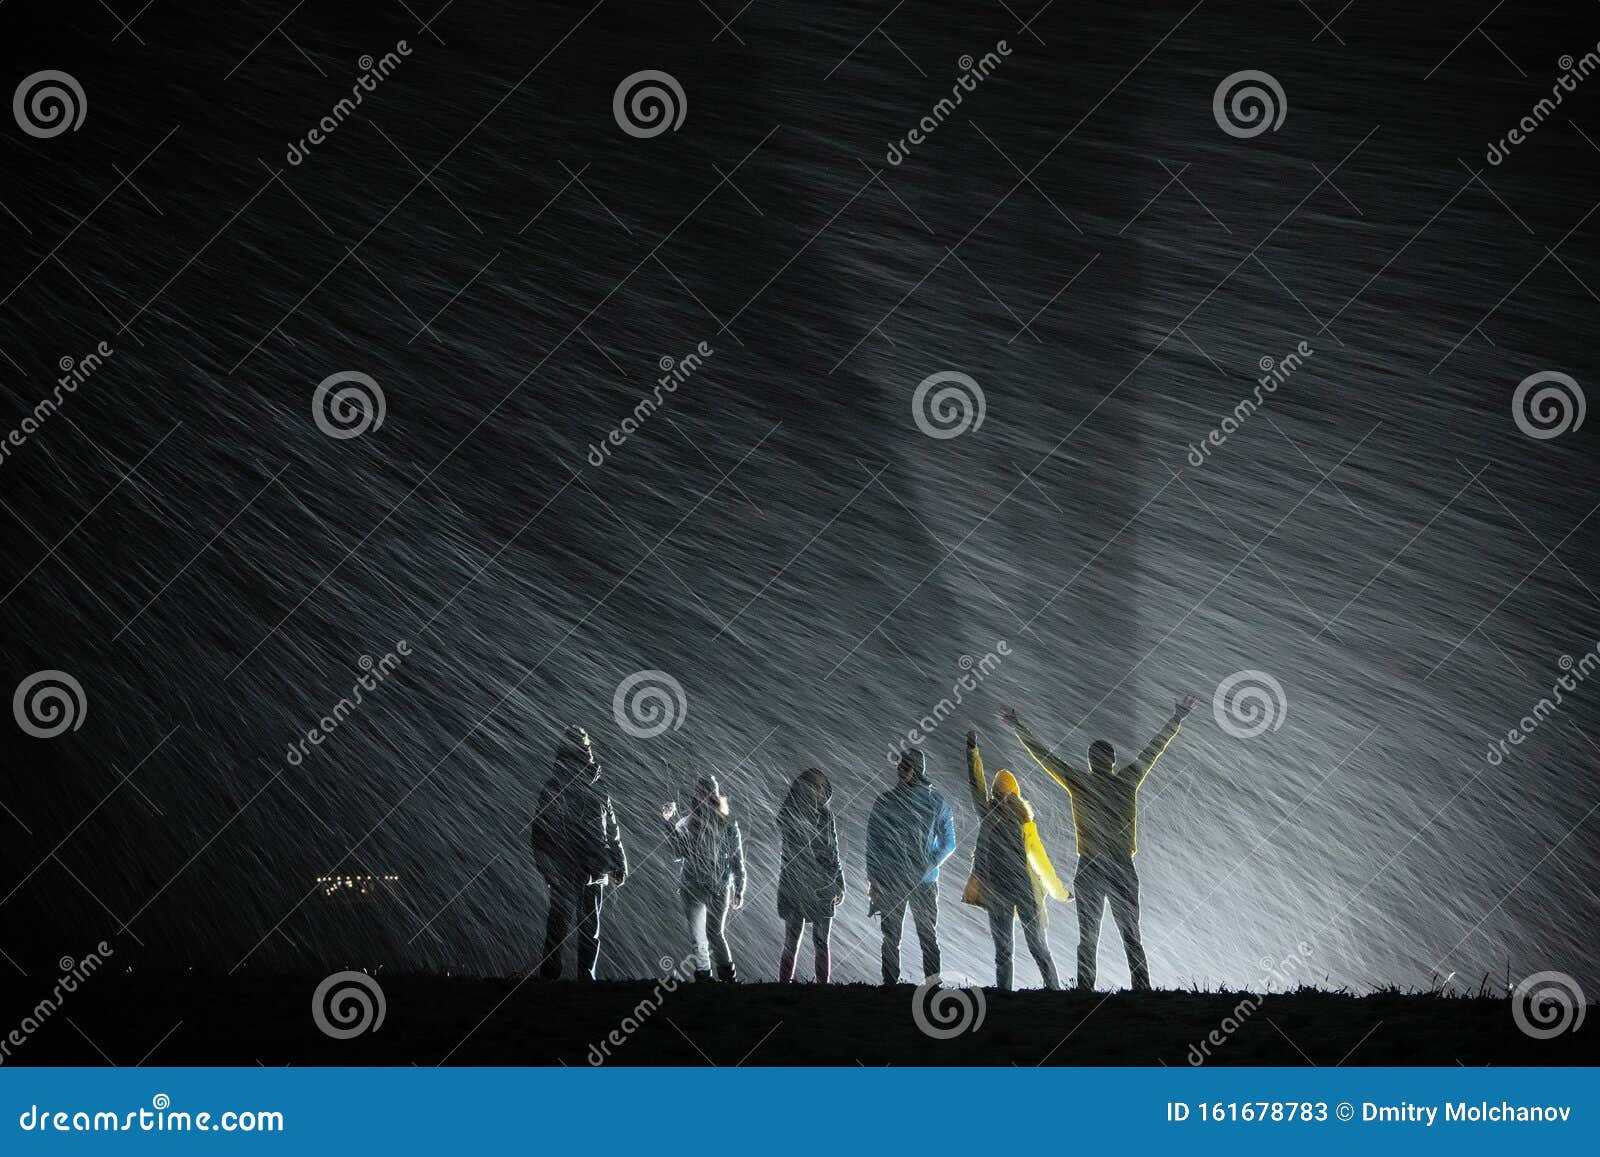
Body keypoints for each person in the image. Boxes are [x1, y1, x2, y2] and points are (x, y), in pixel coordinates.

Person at [996, 693, 1197, 992]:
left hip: (1100, 865)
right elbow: (1152, 750)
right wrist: (1176, 719)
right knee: (1111, 934)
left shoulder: (1089, 781)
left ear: (1107, 761)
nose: (1096, 761)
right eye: (1094, 757)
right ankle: (1119, 989)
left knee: (1107, 934)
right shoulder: (1118, 780)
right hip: (1108, 865)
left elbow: (1046, 756)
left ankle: (1094, 989)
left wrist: (1018, 726)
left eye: (1098, 757)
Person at [962, 731, 1068, 990]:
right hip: (1020, 890)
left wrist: (972, 751)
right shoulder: (1022, 821)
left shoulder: (995, 815)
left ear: (998, 790)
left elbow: (976, 783)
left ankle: (1006, 993)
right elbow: (1041, 862)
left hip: (999, 890)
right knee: (1035, 947)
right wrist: (1059, 892)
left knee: (1006, 951)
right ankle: (1053, 990)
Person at [529, 725, 628, 980]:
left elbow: (612, 829)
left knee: (586, 928)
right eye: (581, 747)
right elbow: (540, 833)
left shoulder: (596, 787)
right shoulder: (559, 787)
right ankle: (554, 976)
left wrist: (619, 862)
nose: (585, 752)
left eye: (585, 746)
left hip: (590, 867)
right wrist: (547, 867)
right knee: (561, 926)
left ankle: (582, 977)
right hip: (568, 867)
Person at [866, 748, 957, 985]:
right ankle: (916, 985)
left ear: (917, 768)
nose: (901, 770)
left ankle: (920, 985)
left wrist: (929, 862)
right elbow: (874, 841)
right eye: (901, 765)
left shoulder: (892, 801)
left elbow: (949, 843)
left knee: (912, 936)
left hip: (904, 880)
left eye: (906, 766)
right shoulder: (933, 801)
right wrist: (875, 876)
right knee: (902, 936)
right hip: (907, 880)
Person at [661, 775, 747, 982]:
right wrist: (668, 822)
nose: (700, 796)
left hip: (718, 887)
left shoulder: (727, 825)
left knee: (715, 934)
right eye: (698, 792)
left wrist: (739, 889)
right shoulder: (688, 823)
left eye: (706, 792)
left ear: (714, 794)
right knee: (698, 939)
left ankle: (728, 980)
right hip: (692, 886)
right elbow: (679, 852)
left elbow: (737, 859)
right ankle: (704, 979)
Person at [776, 767, 845, 983]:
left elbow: (833, 851)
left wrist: (839, 882)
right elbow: (796, 846)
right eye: (812, 785)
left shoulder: (826, 816)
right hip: (796, 885)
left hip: (823, 886)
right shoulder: (789, 813)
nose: (816, 790)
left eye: (820, 787)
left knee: (821, 941)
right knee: (792, 940)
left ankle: (822, 986)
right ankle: (785, 984)